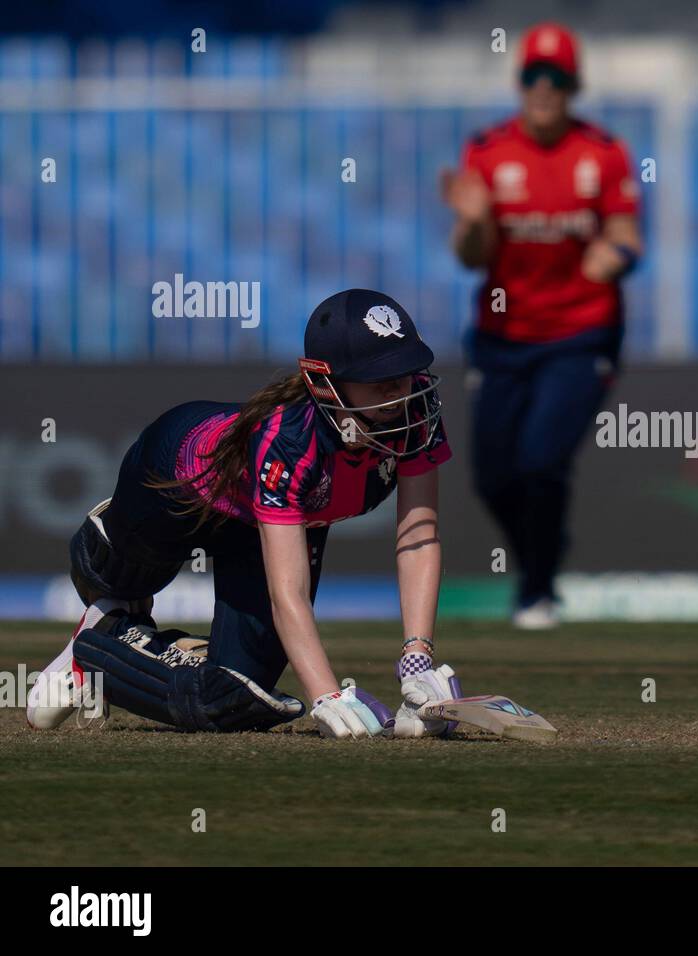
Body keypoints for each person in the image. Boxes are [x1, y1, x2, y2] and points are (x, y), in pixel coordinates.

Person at [26, 289, 462, 738]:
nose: (397, 390)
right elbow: (286, 594)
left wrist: (417, 660)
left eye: (404, 371)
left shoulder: (417, 415)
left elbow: (419, 537)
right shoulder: (289, 441)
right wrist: (328, 696)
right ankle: (101, 636)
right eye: (377, 378)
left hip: (264, 524)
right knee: (117, 576)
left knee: (228, 698)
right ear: (323, 382)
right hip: (175, 480)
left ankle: (141, 649)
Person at [443, 22, 643, 630]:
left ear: (573, 84)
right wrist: (476, 221)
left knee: (540, 461)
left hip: (580, 333)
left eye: (556, 78)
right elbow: (471, 256)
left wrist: (612, 257)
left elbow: (627, 236)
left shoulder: (602, 153)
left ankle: (537, 590)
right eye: (534, 76)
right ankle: (544, 555)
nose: (544, 89)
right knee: (492, 476)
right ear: (520, 81)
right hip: (503, 334)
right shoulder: (487, 151)